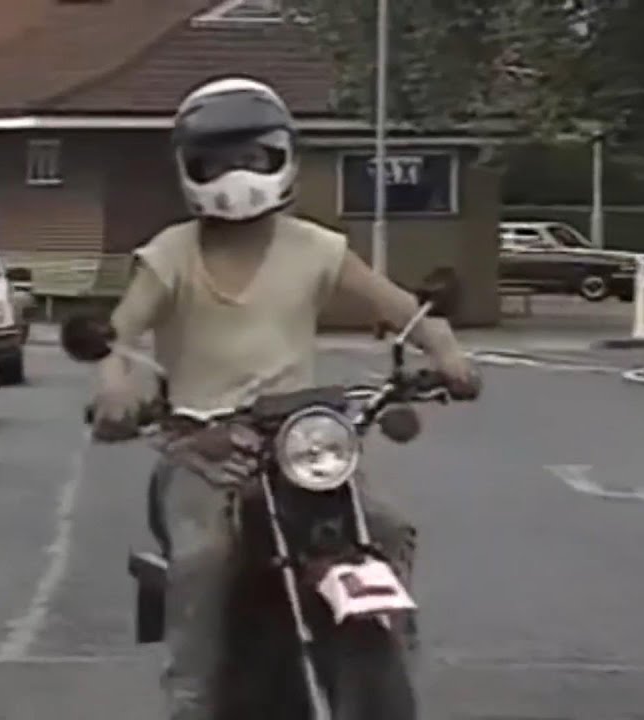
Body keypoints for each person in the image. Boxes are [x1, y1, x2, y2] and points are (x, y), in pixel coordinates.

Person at [90, 76, 481, 720]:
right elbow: (118, 337)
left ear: (282, 156)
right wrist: (116, 389)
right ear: (190, 166)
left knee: (385, 524)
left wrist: (446, 354)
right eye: (217, 159)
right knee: (205, 556)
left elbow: (405, 311)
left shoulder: (318, 248)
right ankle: (189, 698)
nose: (236, 173)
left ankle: (391, 649)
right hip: (203, 447)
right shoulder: (169, 256)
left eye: (251, 155)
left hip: (302, 439)